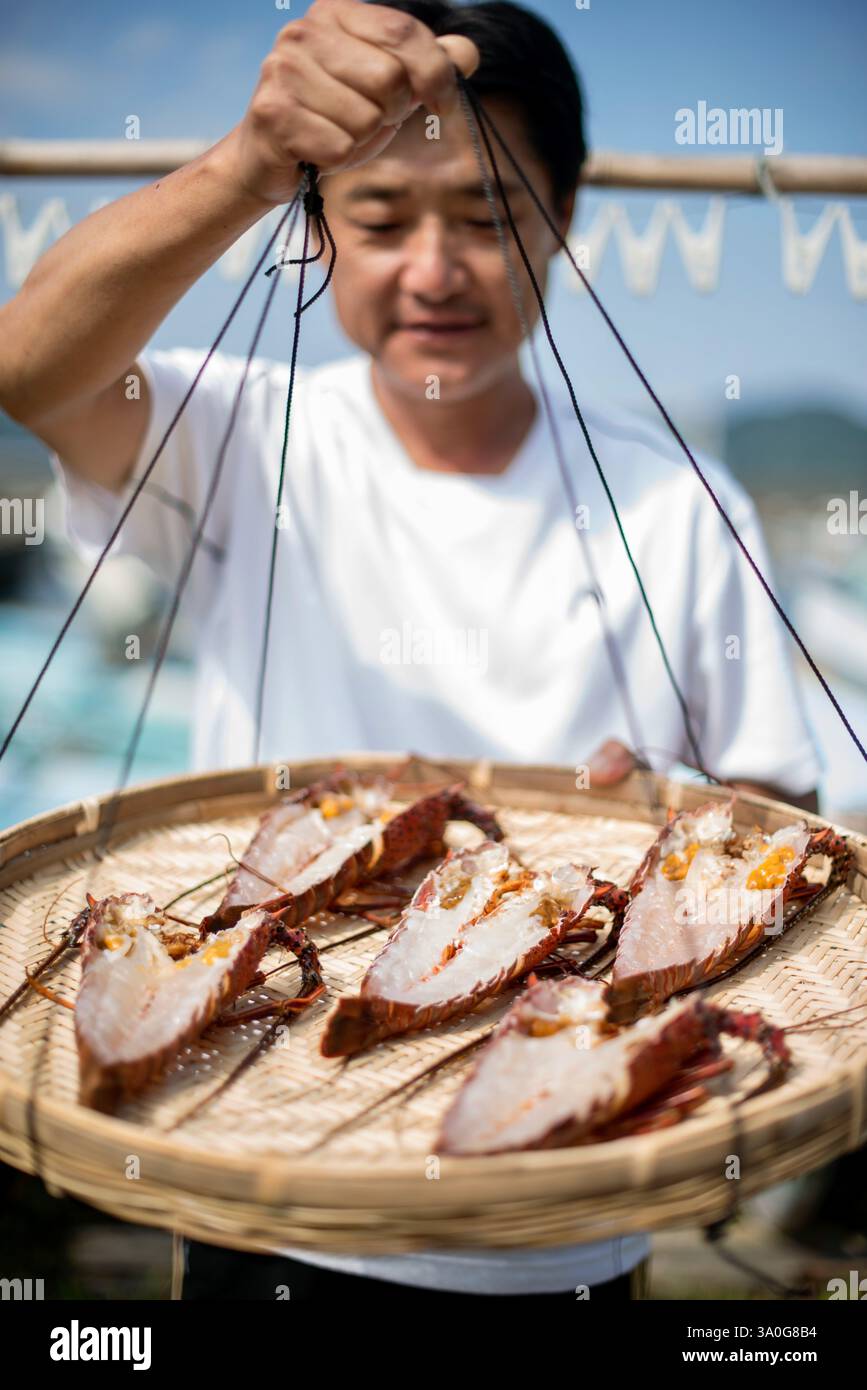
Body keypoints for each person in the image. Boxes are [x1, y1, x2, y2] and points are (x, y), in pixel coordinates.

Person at [0, 0, 820, 1300]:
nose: (434, 268)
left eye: (490, 216)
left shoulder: (683, 499)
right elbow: (31, 364)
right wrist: (247, 160)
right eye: (380, 219)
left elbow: (787, 809)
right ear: (318, 229)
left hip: (562, 1223)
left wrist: (681, 824)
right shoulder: (242, 436)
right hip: (258, 1192)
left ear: (563, 218)